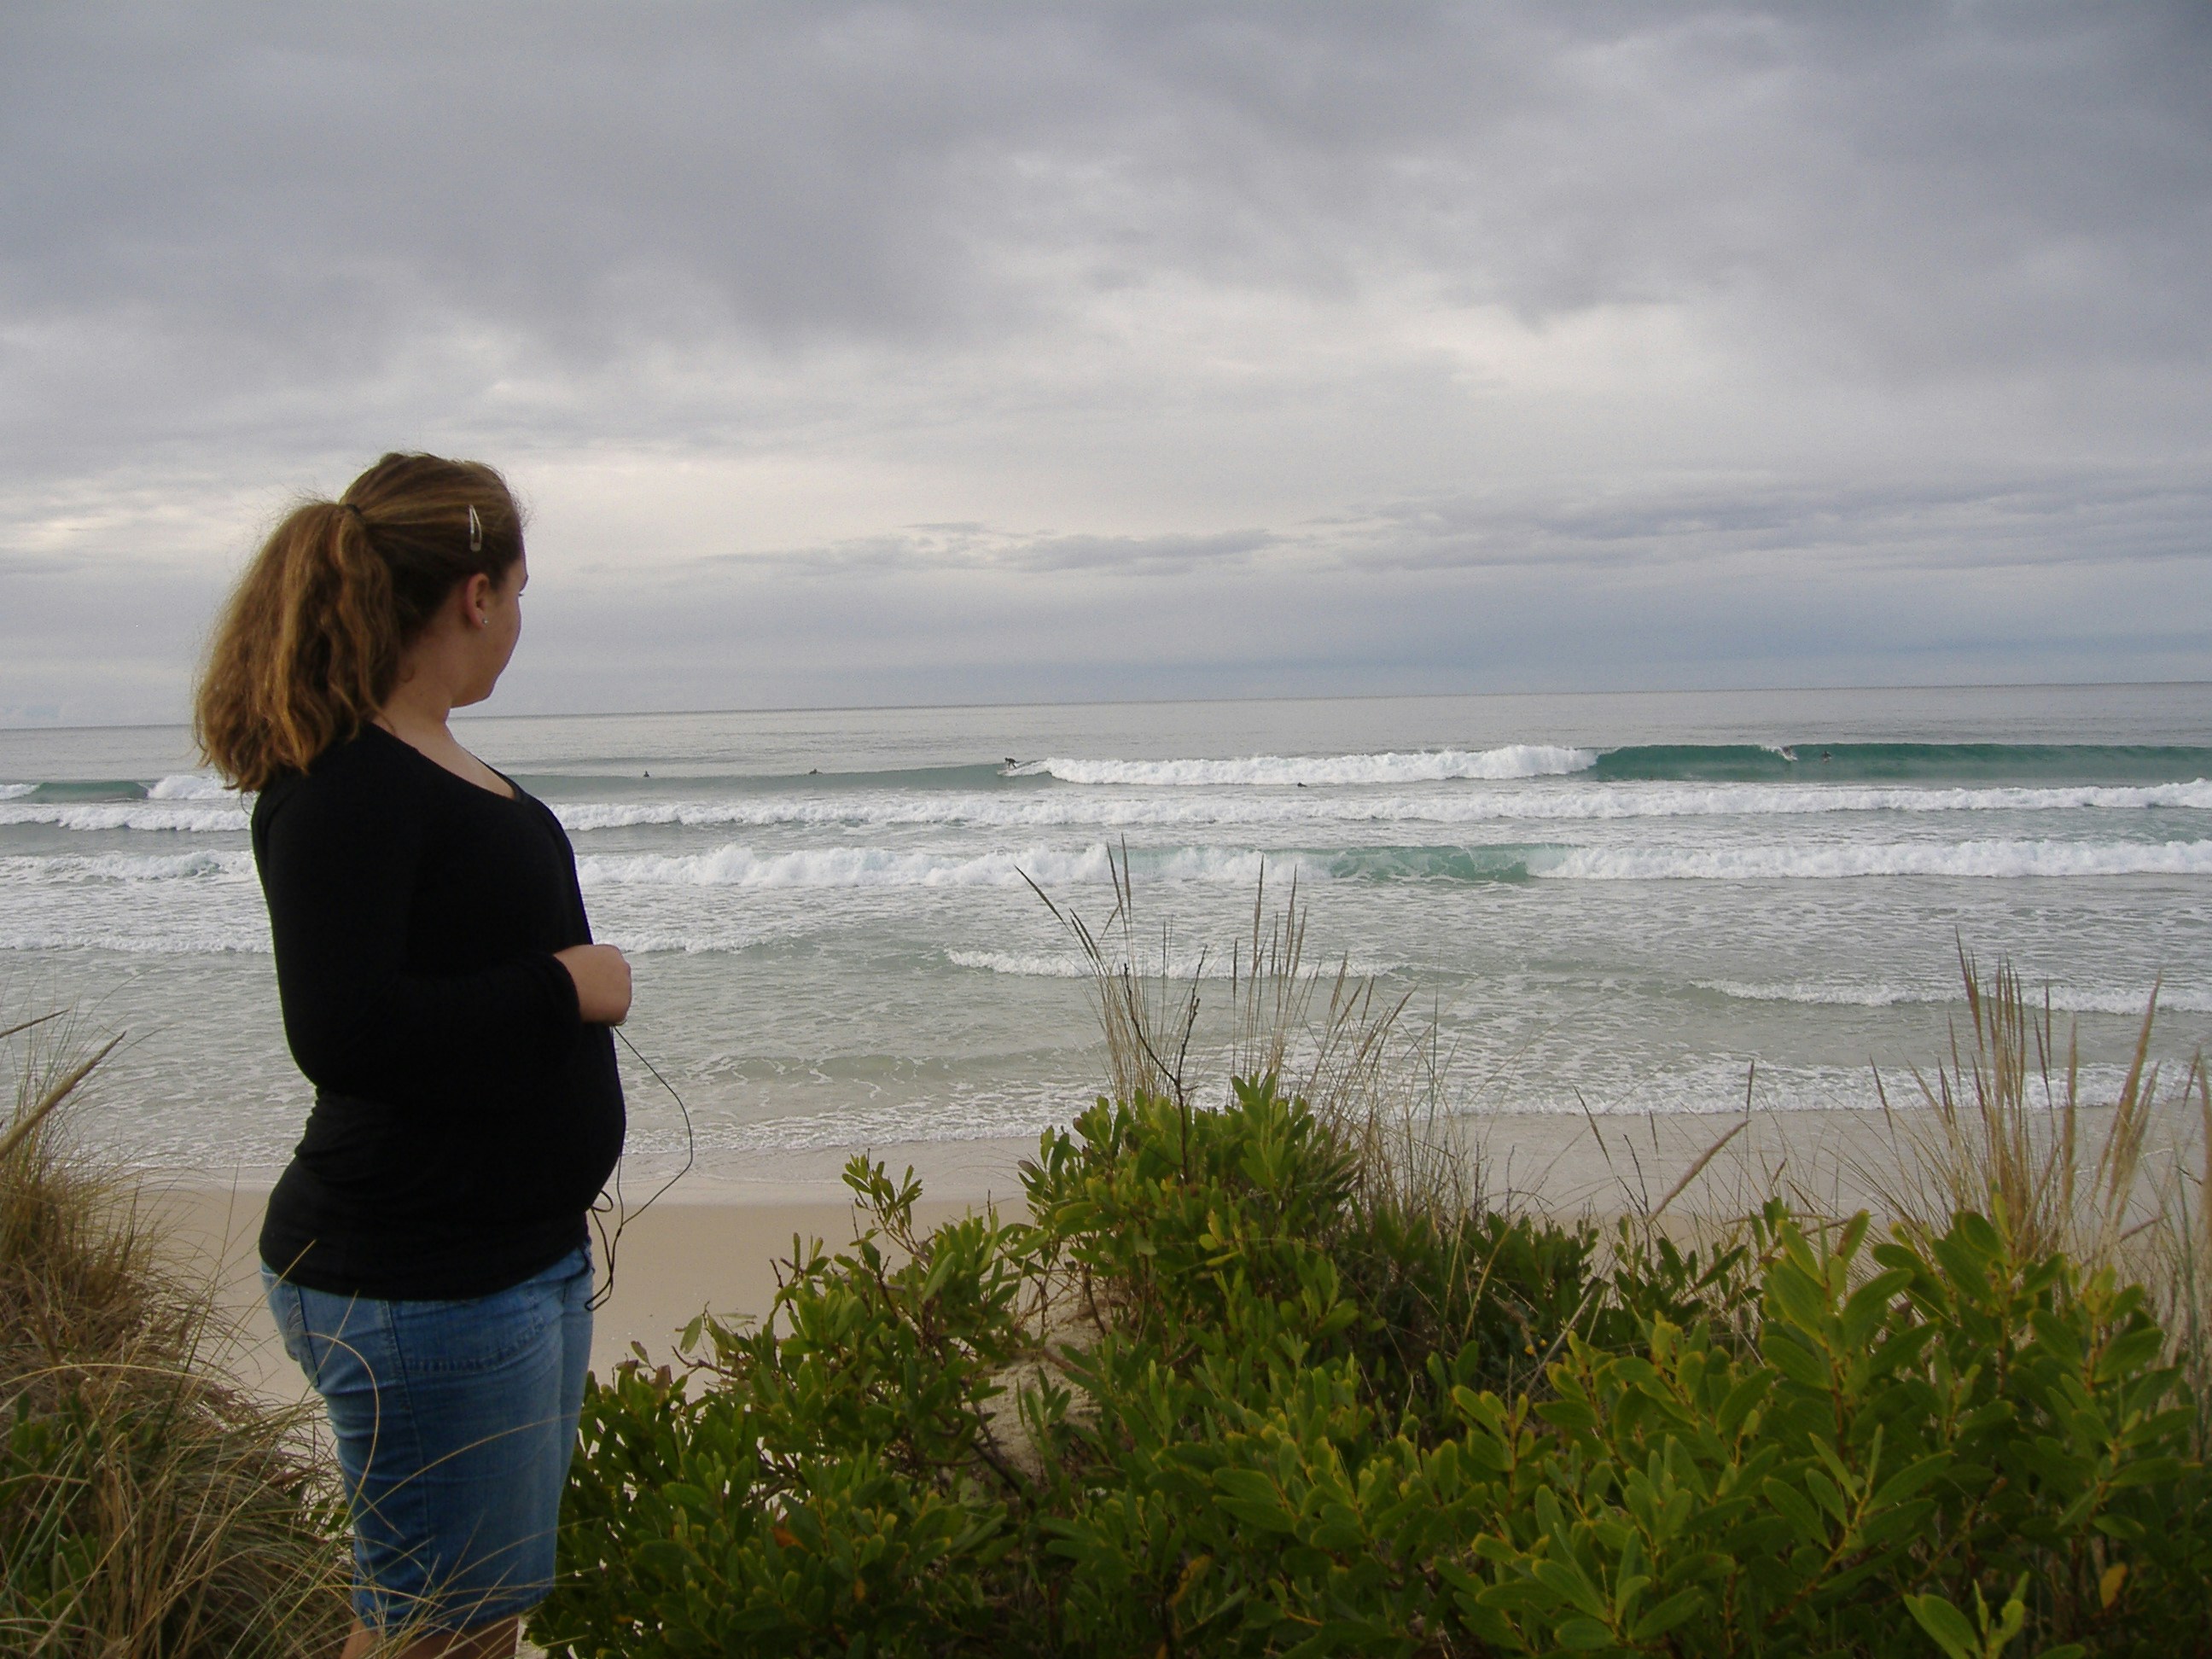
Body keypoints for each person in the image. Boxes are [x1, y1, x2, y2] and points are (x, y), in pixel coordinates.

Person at [195, 452, 632, 1657]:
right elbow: (346, 1029)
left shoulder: (427, 761)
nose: (520, 624)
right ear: (474, 595)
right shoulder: (345, 789)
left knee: (470, 1618)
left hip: (505, 1262)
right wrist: (563, 987)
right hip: (417, 1276)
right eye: (521, 590)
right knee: (428, 1632)